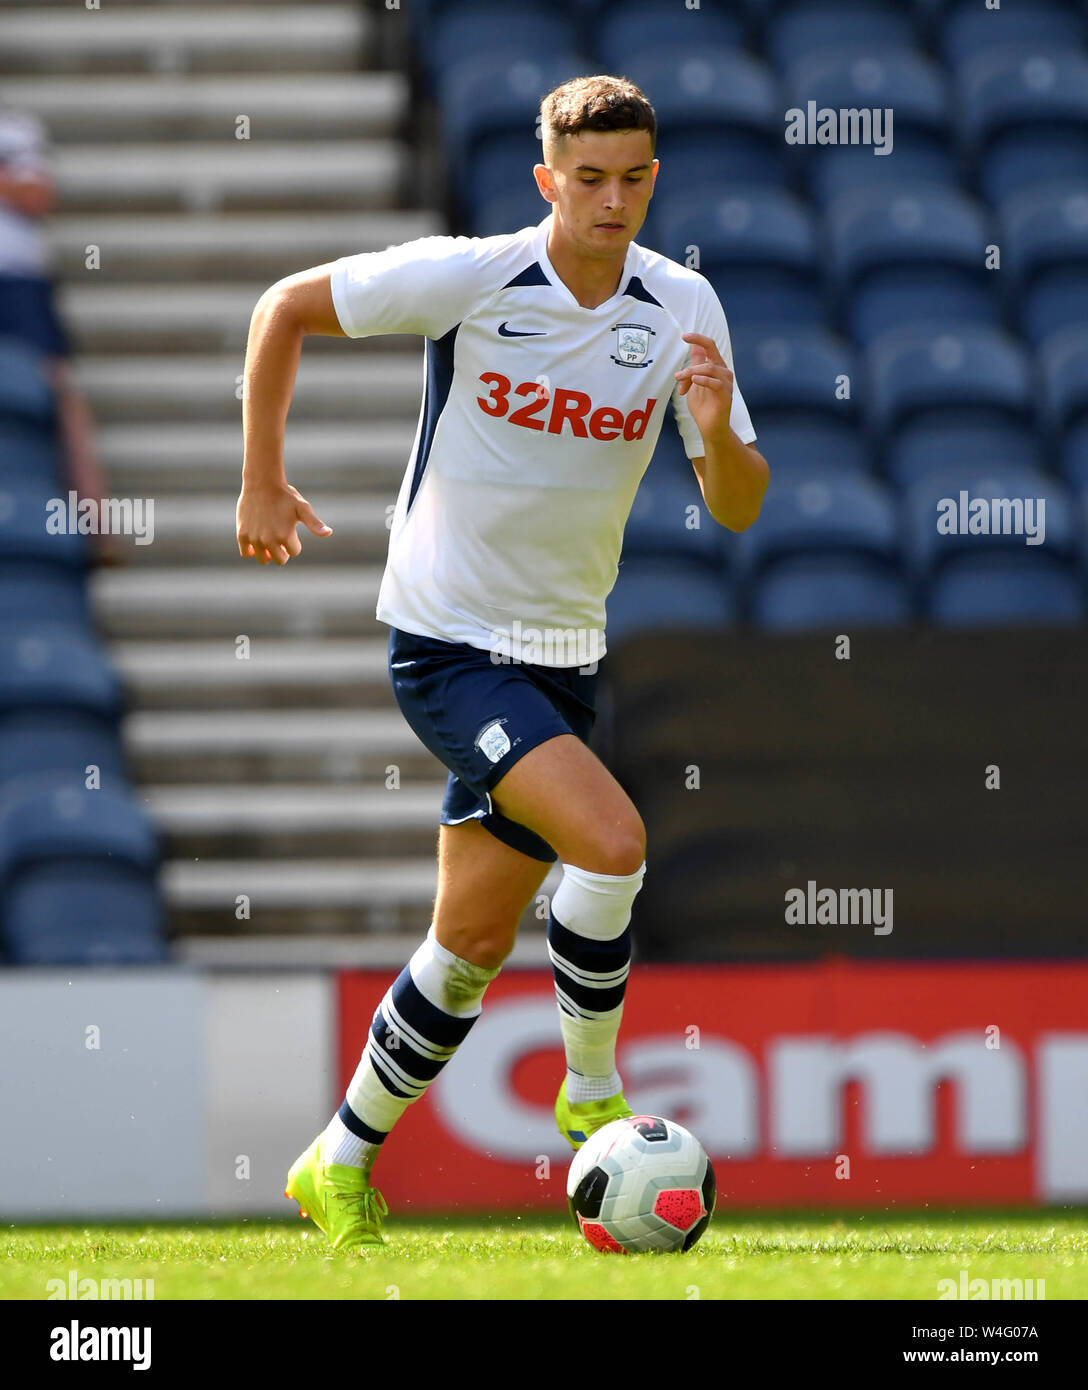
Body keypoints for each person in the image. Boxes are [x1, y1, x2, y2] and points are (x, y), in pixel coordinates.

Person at [236, 75, 768, 1249]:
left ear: (652, 179)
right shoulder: (476, 277)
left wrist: (721, 427)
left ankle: (336, 1158)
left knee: (470, 945)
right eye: (588, 179)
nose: (610, 199)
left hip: (562, 654)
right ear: (546, 181)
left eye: (632, 178)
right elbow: (283, 306)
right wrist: (261, 477)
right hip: (448, 645)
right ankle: (590, 1087)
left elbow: (735, 505)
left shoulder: (683, 308)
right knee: (615, 840)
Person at [0, 100, 115, 563]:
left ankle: (95, 520)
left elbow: (38, 193)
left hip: (21, 280)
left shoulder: (15, 130)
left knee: (60, 390)